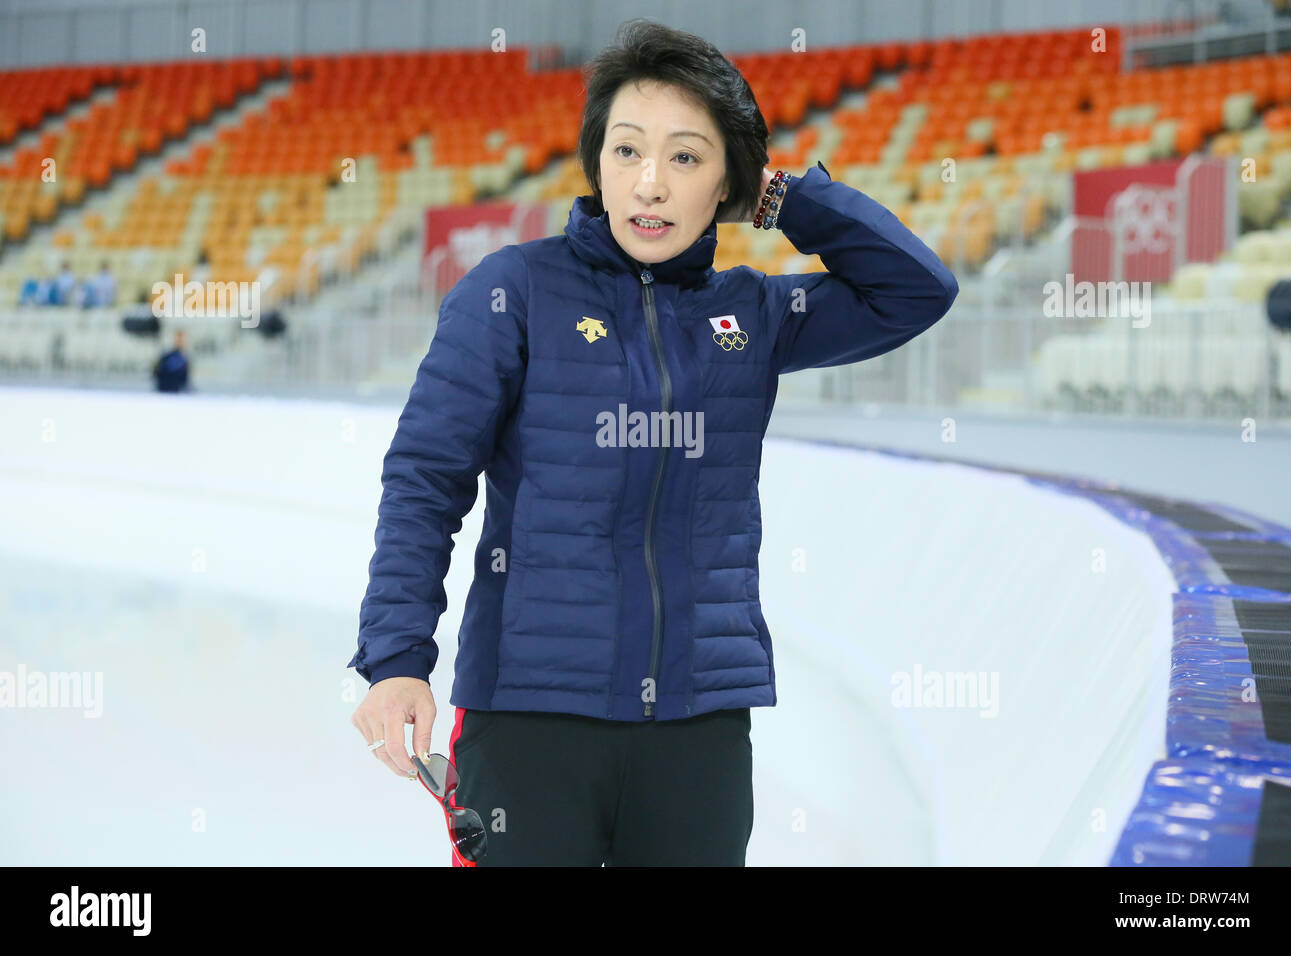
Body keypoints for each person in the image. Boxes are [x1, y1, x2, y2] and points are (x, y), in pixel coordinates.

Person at [347, 18, 959, 867]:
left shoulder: (753, 313)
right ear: (597, 163)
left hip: (697, 725)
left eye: (686, 157)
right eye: (628, 151)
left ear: (726, 185)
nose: (651, 184)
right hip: (528, 718)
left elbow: (916, 290)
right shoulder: (513, 292)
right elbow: (425, 479)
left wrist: (783, 197)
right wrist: (396, 659)